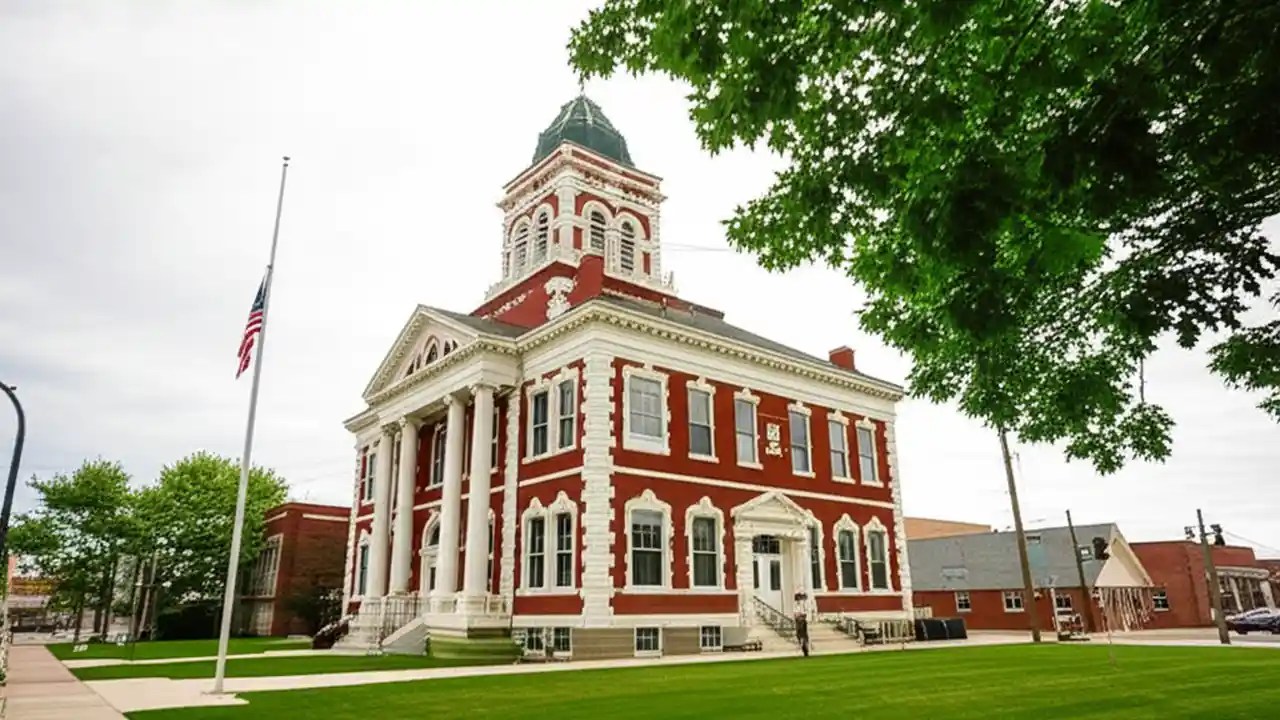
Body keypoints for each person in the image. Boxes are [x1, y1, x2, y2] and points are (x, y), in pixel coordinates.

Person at [793, 590, 812, 657]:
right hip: (798, 620)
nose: (798, 598)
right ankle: (804, 646)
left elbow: (805, 612)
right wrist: (797, 616)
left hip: (802, 620)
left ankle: (805, 647)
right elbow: (795, 613)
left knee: (803, 634)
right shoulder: (796, 604)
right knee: (798, 634)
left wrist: (802, 617)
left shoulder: (804, 603)